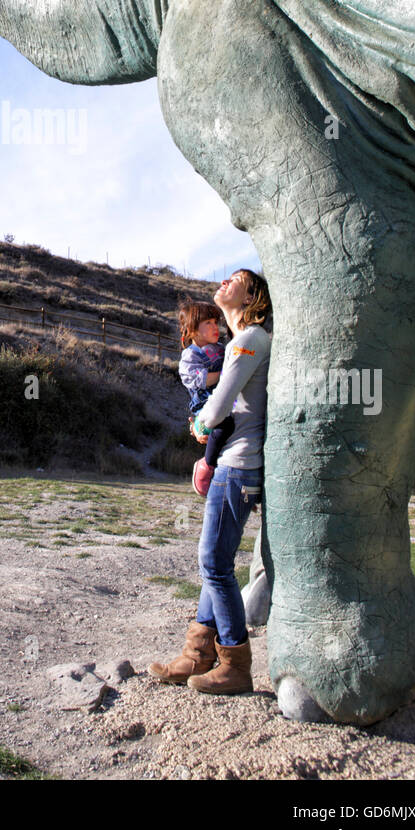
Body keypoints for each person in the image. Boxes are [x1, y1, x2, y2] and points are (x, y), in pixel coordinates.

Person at [149, 268, 272, 695]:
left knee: (214, 564)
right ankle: (196, 656)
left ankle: (235, 663)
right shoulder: (242, 343)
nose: (224, 283)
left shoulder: (249, 341)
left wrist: (201, 424)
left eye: (235, 279)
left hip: (238, 464)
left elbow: (218, 406)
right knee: (214, 562)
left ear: (251, 295)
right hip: (234, 462)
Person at [177, 300, 232, 497]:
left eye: (215, 322)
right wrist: (227, 373)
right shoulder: (190, 356)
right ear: (192, 330)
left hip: (224, 399)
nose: (215, 327)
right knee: (222, 425)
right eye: (208, 323)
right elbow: (202, 381)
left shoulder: (220, 348)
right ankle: (206, 465)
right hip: (206, 402)